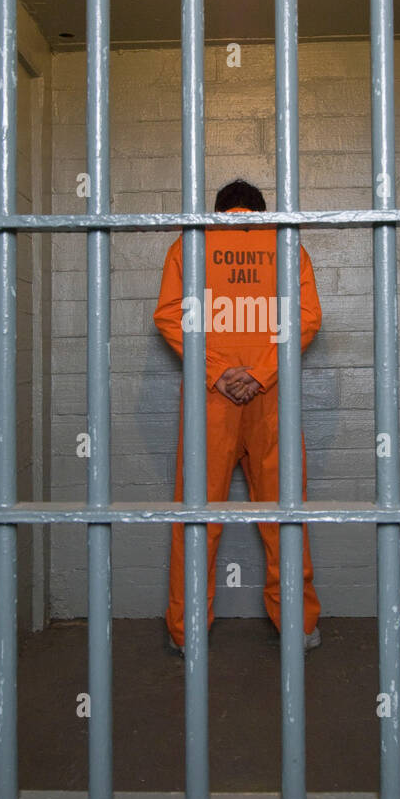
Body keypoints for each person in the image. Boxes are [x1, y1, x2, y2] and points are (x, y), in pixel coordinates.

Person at [153, 178, 323, 656]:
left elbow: (168, 315)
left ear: (220, 210)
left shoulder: (191, 243)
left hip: (212, 401)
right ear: (260, 210)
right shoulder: (287, 243)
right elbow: (308, 317)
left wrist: (219, 371)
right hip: (272, 400)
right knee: (285, 516)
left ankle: (186, 634)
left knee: (196, 518)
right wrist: (263, 373)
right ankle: (299, 626)